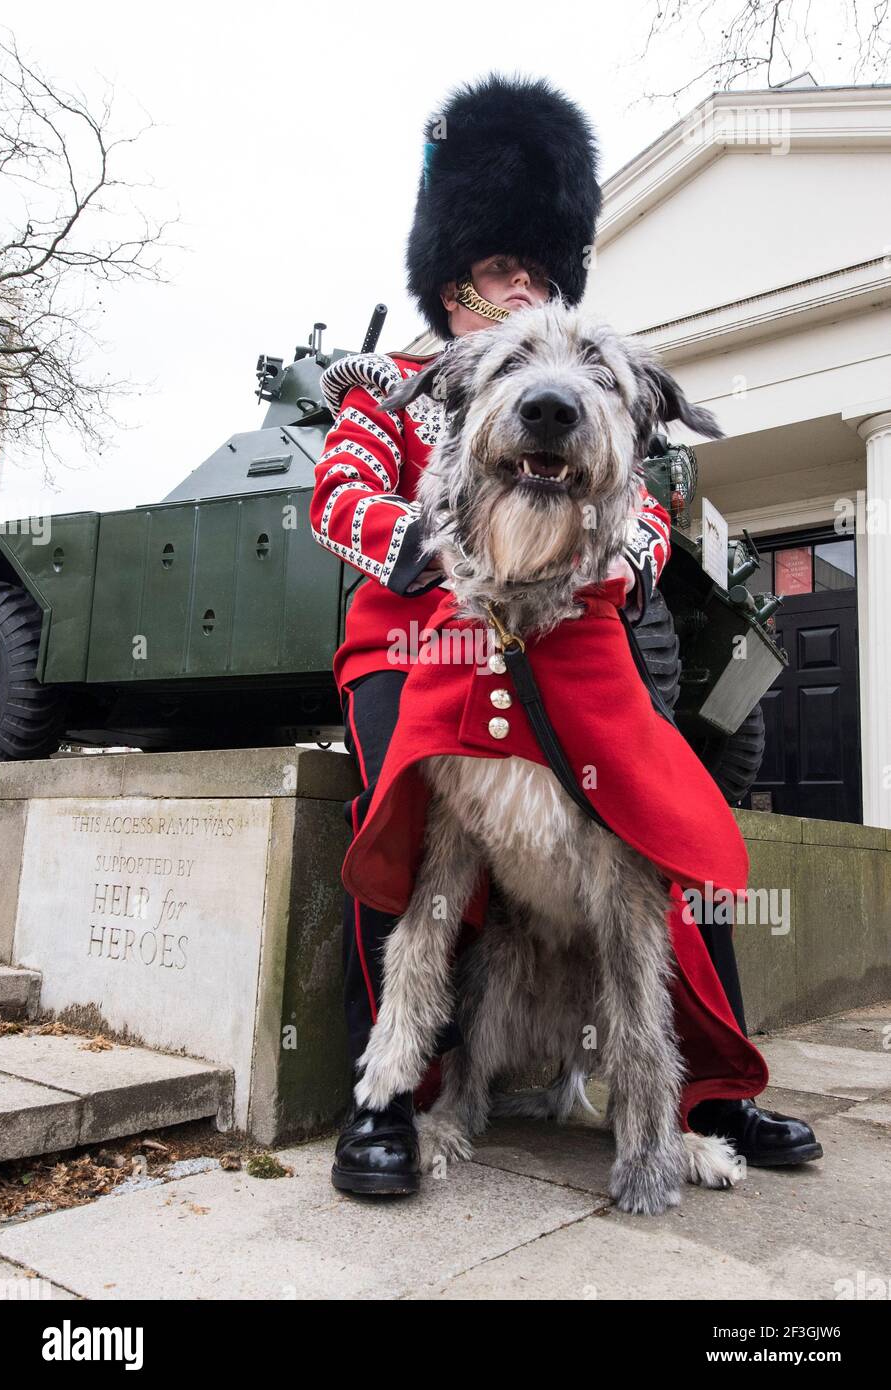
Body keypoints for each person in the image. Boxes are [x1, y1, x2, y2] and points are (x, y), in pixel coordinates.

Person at [311, 73, 821, 1196]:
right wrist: (433, 545)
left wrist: (629, 562)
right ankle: (393, 1095)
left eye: (539, 274)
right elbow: (336, 496)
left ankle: (709, 1089)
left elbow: (633, 510)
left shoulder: (569, 385)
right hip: (421, 643)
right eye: (501, 272)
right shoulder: (393, 387)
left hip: (556, 640)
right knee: (398, 780)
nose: (521, 291)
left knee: (667, 804)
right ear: (451, 286)